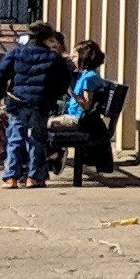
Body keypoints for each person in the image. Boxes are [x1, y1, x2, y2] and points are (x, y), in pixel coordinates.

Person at [0, 27, 67, 186]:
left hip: (17, 101)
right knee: (37, 138)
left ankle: (11, 177)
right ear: (47, 38)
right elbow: (63, 82)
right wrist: (52, 97)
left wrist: (1, 93)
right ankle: (33, 177)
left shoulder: (16, 54)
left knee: (15, 137)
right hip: (40, 103)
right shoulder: (55, 58)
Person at [43, 41, 111, 179]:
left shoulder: (89, 78)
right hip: (74, 116)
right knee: (40, 123)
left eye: (75, 56)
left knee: (41, 125)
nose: (72, 59)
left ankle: (54, 156)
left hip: (78, 120)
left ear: (83, 57)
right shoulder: (83, 75)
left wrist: (72, 92)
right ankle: (55, 155)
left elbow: (86, 104)